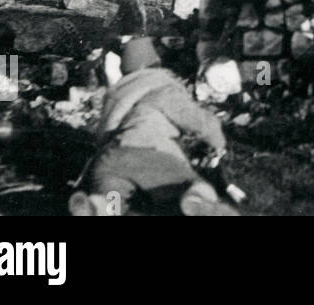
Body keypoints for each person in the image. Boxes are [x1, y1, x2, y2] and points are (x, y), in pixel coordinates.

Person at [69, 38, 236, 216]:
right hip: (151, 153)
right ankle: (201, 205)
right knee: (191, 185)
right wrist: (218, 145)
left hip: (111, 158)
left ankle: (101, 208)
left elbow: (101, 136)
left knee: (113, 197)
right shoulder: (161, 86)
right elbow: (202, 122)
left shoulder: (117, 93)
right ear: (157, 66)